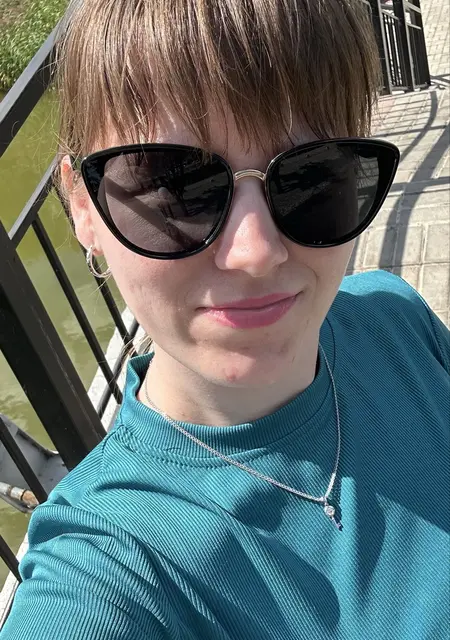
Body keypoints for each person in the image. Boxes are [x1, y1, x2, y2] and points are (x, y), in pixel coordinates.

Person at [1, 0, 449, 638]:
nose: (255, 251)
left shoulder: (395, 318)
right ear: (82, 208)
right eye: (178, 186)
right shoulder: (108, 569)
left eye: (311, 175)